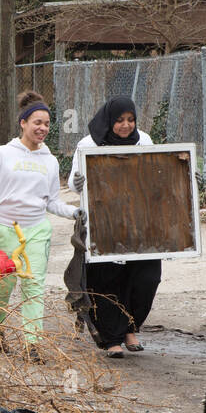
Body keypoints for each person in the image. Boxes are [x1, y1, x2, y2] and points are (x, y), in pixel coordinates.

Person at [0, 90, 83, 362]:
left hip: (36, 232)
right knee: (2, 287)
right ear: (23, 123)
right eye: (37, 123)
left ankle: (32, 345)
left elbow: (52, 201)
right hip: (4, 231)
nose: (42, 128)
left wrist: (74, 211)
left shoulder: (50, 161)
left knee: (34, 289)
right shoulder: (2, 155)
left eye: (46, 123)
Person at [65, 98, 163, 358]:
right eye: (120, 120)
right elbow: (74, 185)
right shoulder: (89, 144)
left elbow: (156, 174)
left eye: (130, 120)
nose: (125, 125)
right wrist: (78, 180)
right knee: (106, 278)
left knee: (145, 278)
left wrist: (186, 177)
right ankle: (112, 338)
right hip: (103, 222)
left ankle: (130, 326)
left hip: (140, 222)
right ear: (109, 119)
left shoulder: (144, 140)